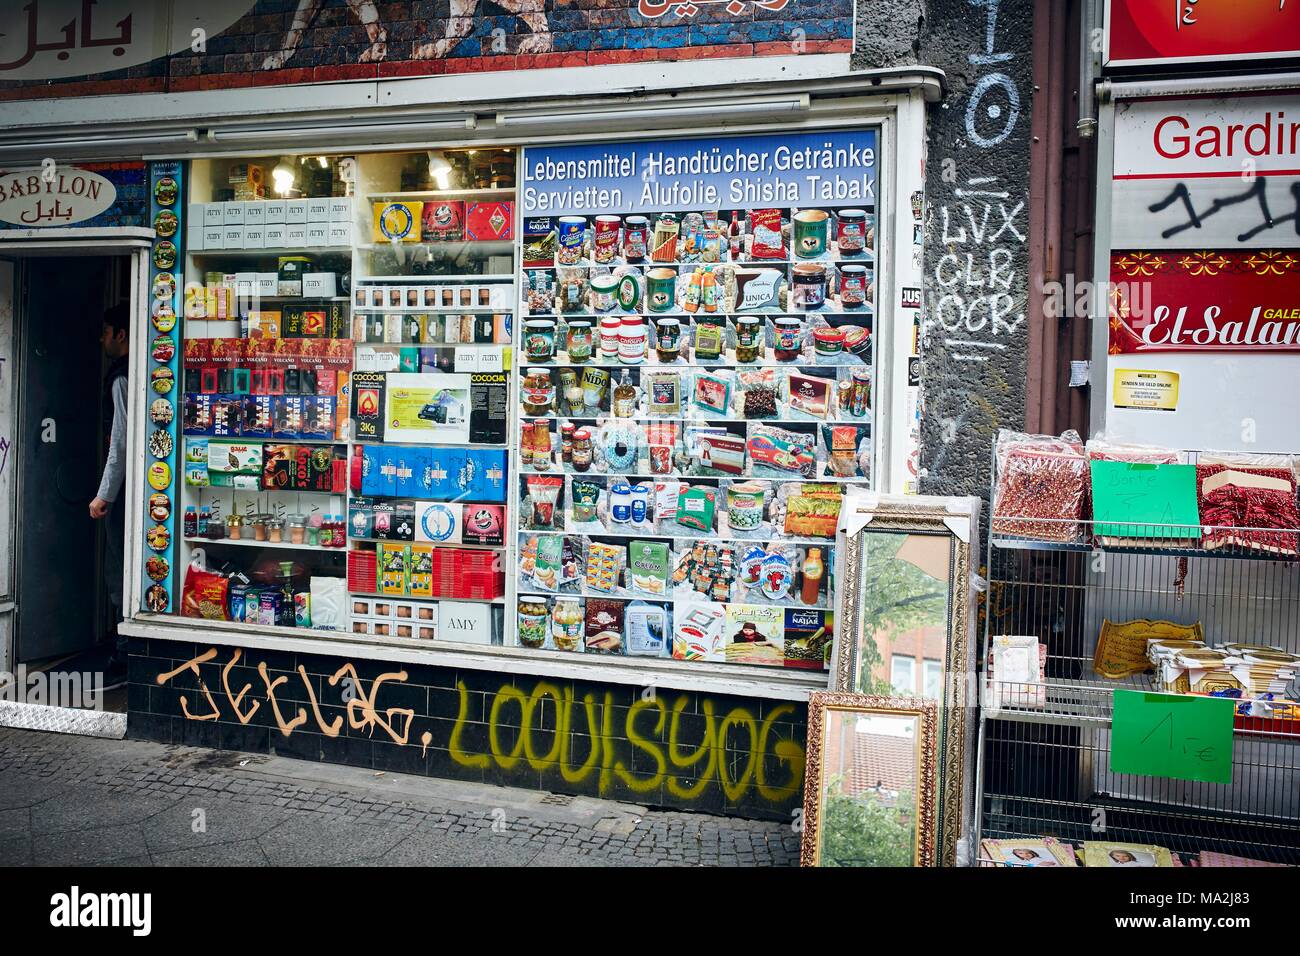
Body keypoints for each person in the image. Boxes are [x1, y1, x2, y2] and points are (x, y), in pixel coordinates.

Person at [89, 304, 130, 690]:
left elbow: (120, 441)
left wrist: (104, 495)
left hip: (122, 494)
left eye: (104, 332)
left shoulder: (121, 379)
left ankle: (122, 654)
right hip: (136, 488)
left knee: (118, 566)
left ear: (120, 334)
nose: (101, 340)